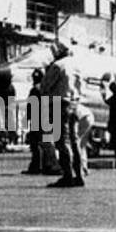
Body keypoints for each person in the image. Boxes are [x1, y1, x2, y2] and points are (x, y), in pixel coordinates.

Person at [46, 48, 88, 188]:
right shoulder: (78, 66)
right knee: (75, 140)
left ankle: (68, 176)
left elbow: (45, 86)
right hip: (75, 104)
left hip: (60, 104)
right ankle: (79, 175)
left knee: (62, 141)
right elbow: (82, 88)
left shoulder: (58, 65)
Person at [24, 69, 46, 174]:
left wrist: (28, 118)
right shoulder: (46, 88)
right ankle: (45, 164)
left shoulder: (34, 90)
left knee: (35, 144)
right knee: (44, 143)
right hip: (45, 119)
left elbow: (30, 105)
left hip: (36, 119)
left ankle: (36, 166)